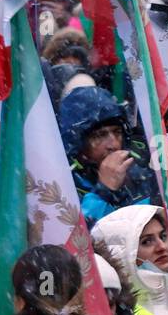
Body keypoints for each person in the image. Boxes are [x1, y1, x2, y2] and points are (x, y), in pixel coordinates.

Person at [57, 86, 160, 228]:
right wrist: (104, 191)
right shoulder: (63, 182)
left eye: (117, 132)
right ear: (78, 143)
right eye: (100, 135)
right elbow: (78, 238)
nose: (114, 144)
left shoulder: (141, 165)